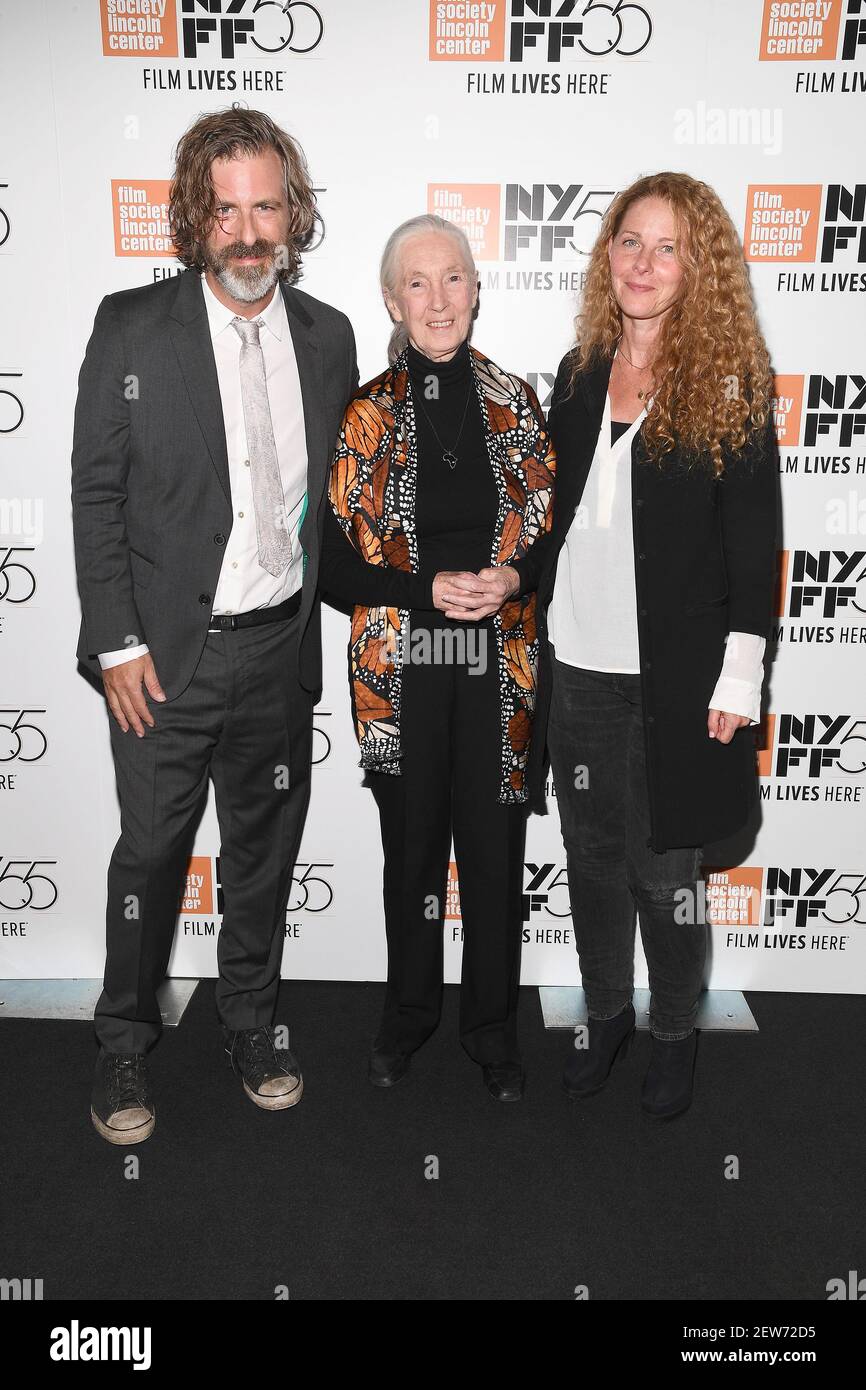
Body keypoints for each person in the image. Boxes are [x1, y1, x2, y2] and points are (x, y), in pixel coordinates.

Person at [71, 106, 358, 1143]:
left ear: (293, 213)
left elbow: (337, 502)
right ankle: (121, 1045)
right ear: (197, 218)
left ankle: (250, 1021)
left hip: (278, 649)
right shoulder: (132, 326)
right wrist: (116, 642)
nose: (247, 233)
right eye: (225, 210)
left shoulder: (328, 337)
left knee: (262, 855)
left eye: (266, 207)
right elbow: (97, 490)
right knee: (148, 859)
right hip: (161, 662)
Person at [510, 172, 779, 1119]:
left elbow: (755, 548)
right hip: (577, 667)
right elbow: (558, 519)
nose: (644, 262)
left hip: (678, 683)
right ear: (607, 254)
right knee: (590, 860)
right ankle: (605, 1017)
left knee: (669, 877)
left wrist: (740, 673)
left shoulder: (729, 389)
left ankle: (673, 1034)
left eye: (668, 247)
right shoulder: (581, 373)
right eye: (630, 241)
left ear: (697, 268)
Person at [321, 214, 555, 1101]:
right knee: (412, 855)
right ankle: (407, 1017)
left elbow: (549, 538)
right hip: (403, 664)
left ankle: (492, 1033)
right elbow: (336, 565)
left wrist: (511, 576)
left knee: (494, 858)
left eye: (452, 277)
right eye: (417, 283)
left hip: (500, 668)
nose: (438, 298)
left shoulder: (513, 403)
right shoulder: (368, 413)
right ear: (392, 299)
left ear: (476, 289)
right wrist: (427, 592)